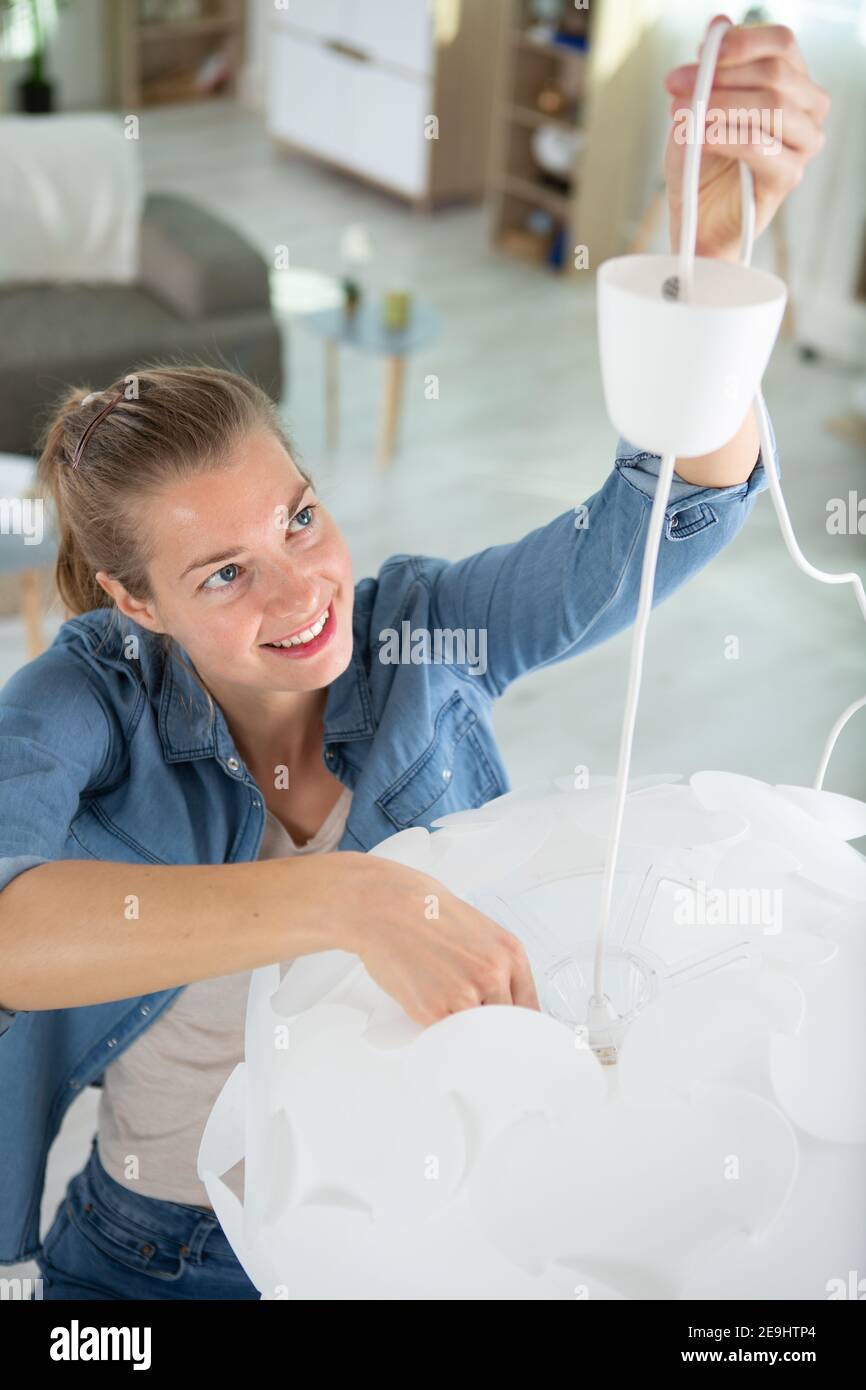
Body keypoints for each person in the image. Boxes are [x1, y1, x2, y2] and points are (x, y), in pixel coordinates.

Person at [0, 20, 829, 1299]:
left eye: (300, 518)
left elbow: (650, 527)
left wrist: (703, 272)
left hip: (420, 1220)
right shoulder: (87, 698)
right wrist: (347, 897)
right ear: (136, 602)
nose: (303, 590)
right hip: (161, 1256)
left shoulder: (417, 633)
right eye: (223, 574)